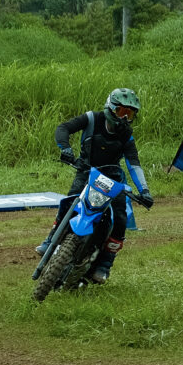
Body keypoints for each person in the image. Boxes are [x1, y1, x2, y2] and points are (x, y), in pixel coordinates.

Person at [36, 88, 153, 283]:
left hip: (113, 179)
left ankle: (105, 263)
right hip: (86, 171)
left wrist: (145, 191)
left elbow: (133, 163)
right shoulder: (91, 119)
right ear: (110, 107)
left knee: (121, 219)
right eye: (121, 111)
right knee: (70, 203)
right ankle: (50, 239)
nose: (124, 118)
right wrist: (65, 148)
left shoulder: (127, 135)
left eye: (130, 114)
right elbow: (63, 128)